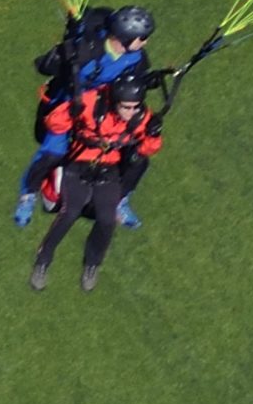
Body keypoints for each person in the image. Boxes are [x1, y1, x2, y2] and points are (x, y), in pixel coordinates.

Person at [13, 6, 157, 226]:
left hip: (101, 113)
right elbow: (43, 66)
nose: (145, 42)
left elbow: (132, 86)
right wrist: (63, 53)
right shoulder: (87, 49)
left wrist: (148, 82)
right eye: (142, 38)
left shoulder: (136, 59)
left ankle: (121, 200)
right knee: (53, 153)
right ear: (126, 38)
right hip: (66, 108)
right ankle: (27, 196)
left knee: (135, 157)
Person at [29, 73, 159, 291]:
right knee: (69, 213)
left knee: (107, 219)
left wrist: (154, 135)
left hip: (107, 170)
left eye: (135, 107)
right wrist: (71, 110)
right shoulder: (90, 102)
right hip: (78, 163)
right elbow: (54, 124)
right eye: (126, 107)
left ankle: (92, 264)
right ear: (114, 101)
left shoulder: (140, 117)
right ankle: (43, 260)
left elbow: (147, 150)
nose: (130, 112)